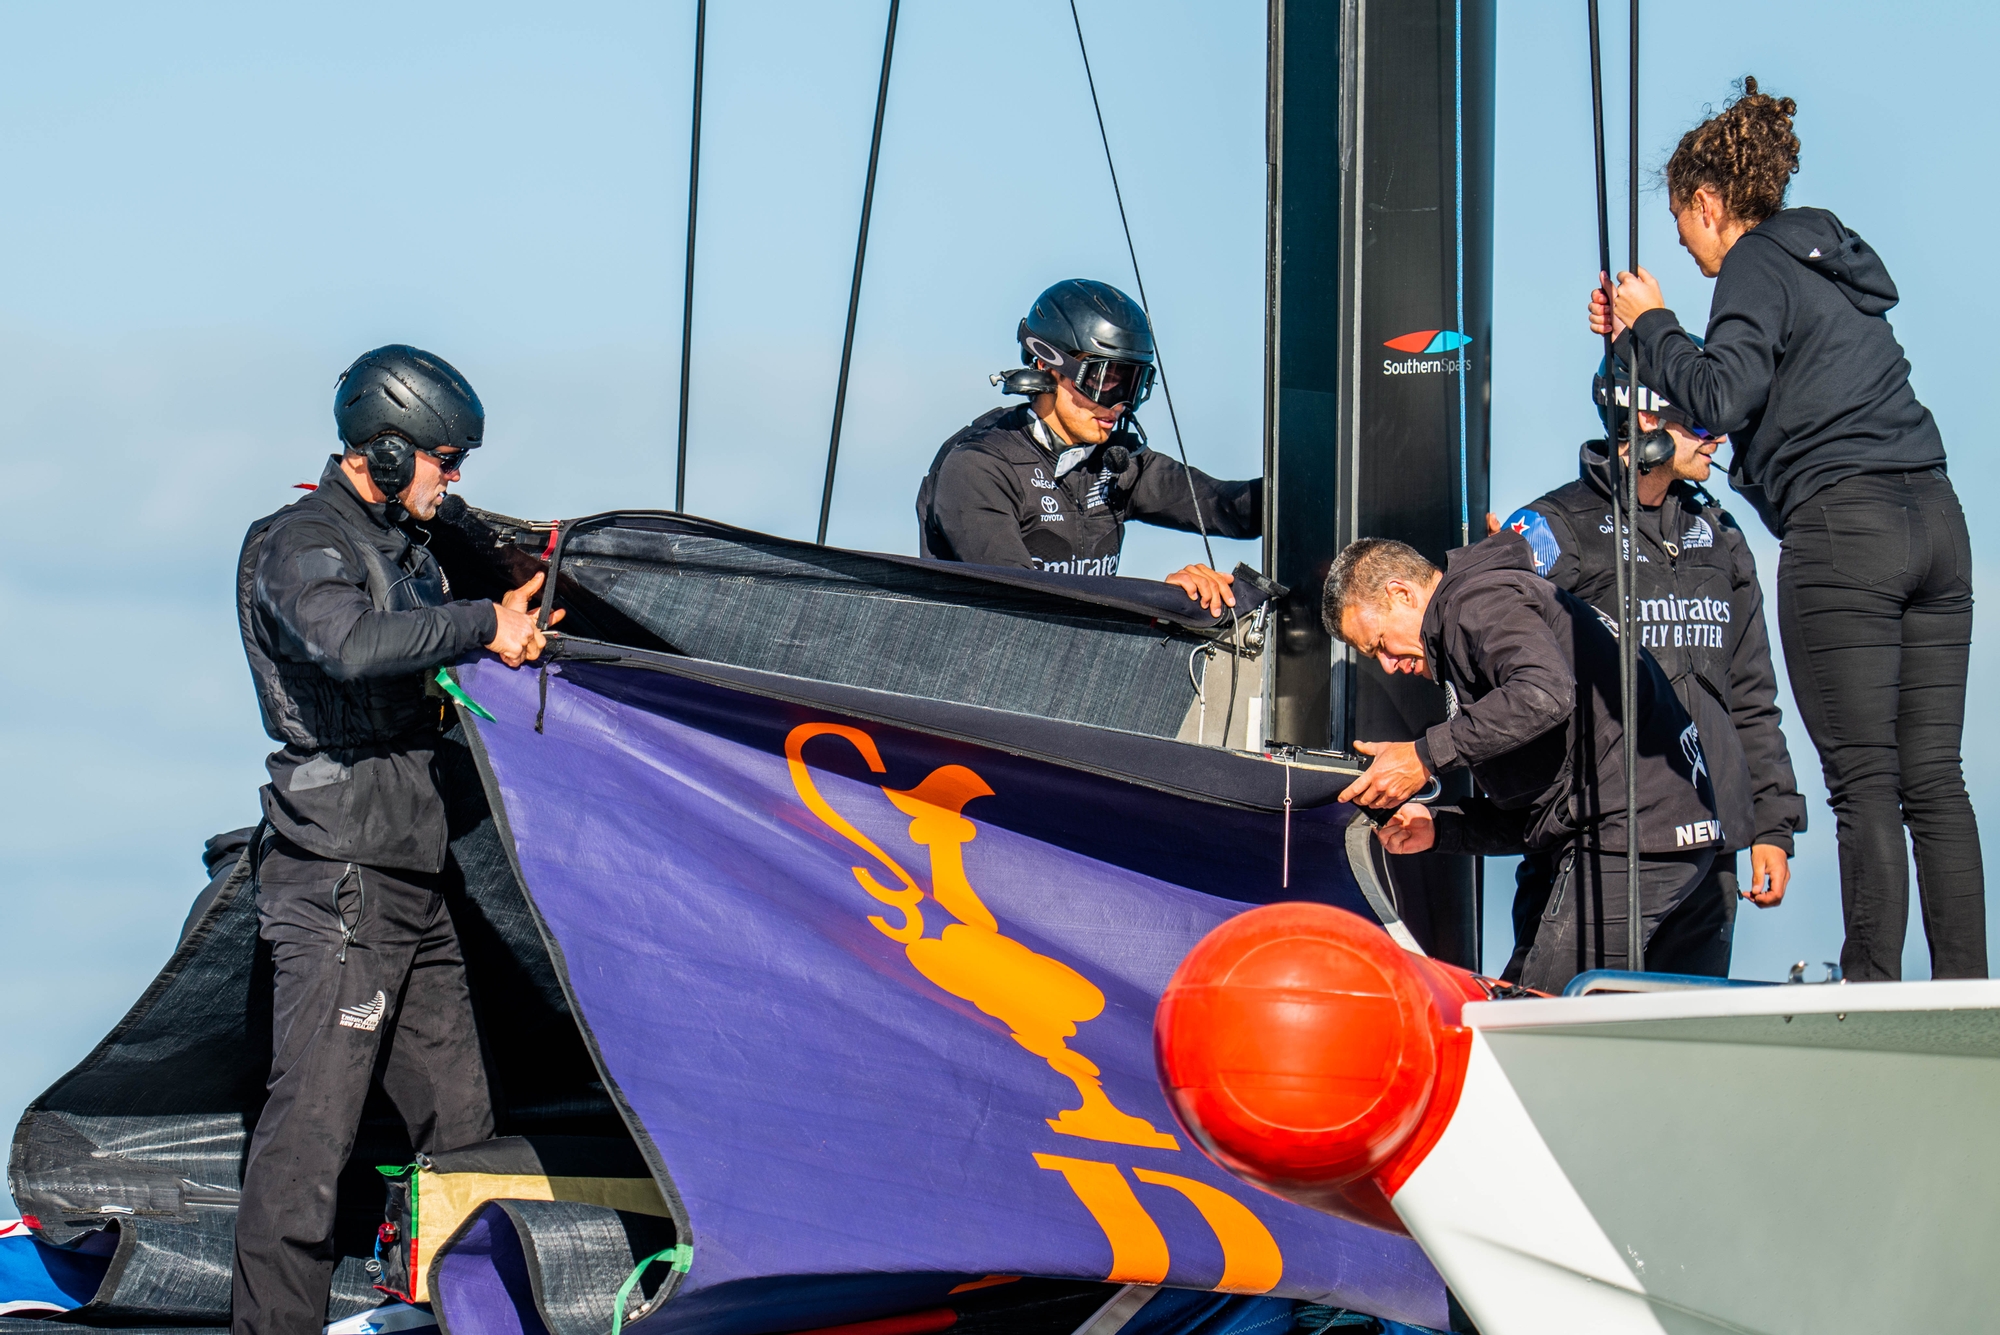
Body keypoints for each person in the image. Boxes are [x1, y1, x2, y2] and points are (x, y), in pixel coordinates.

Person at [1590, 76, 1982, 981]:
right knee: (1936, 777)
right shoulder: (1824, 263)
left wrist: (1654, 325)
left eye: (1684, 224)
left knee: (1867, 783)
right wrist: (1644, 345)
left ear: (1707, 202)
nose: (1685, 246)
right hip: (1935, 515)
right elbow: (1741, 407)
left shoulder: (1754, 264)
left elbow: (1722, 393)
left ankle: (1874, 990)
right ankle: (1969, 985)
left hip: (1847, 532)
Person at [231, 345, 557, 1335]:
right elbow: (354, 645)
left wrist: (509, 572)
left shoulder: (409, 539)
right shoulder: (298, 543)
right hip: (337, 876)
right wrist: (480, 626)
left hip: (410, 874)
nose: (453, 480)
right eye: (443, 460)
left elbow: (487, 564)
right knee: (309, 1143)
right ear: (377, 454)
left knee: (464, 1139)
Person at [1495, 364, 1807, 979]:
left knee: (1679, 1045)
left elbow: (1750, 691)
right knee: (1555, 1029)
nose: (1718, 436)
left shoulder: (1718, 531)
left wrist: (1773, 825)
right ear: (1645, 422)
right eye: (1700, 418)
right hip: (1598, 842)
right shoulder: (1555, 524)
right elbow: (1496, 652)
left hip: (1710, 846)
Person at [1327, 535, 1722, 992]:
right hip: (1641, 831)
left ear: (1402, 593)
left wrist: (1423, 755)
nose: (1389, 664)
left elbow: (1544, 694)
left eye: (1379, 644)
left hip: (1634, 831)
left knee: (1536, 1022)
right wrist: (1441, 828)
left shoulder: (1475, 601)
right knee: (1519, 1007)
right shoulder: (1484, 607)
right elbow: (1545, 809)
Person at [917, 279, 1261, 615]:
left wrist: (1306, 483)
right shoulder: (977, 468)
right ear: (1046, 366)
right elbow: (1027, 606)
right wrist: (1162, 600)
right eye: (1105, 380)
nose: (1120, 404)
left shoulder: (1119, 460)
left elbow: (1230, 508)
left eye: (1133, 384)